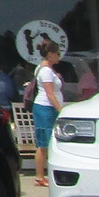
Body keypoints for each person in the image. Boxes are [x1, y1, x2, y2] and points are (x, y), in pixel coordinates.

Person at [29, 36, 64, 186]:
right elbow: (50, 94)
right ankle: (40, 176)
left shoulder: (46, 69)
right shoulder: (46, 71)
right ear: (50, 54)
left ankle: (44, 175)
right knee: (44, 144)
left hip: (47, 108)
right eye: (58, 53)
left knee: (47, 144)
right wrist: (60, 110)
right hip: (45, 109)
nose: (59, 56)